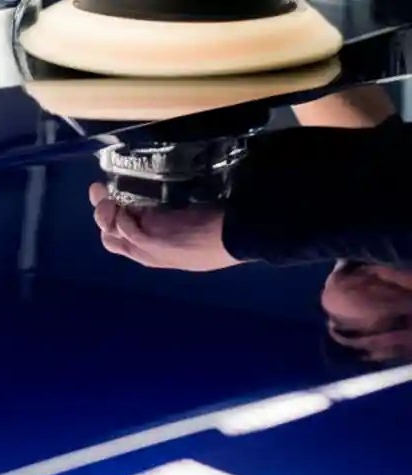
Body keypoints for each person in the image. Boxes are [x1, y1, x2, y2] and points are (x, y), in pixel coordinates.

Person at [89, 84, 412, 361]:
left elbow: (372, 162)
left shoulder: (360, 201)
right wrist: (239, 232)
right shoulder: (354, 212)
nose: (389, 326)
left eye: (350, 329)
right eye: (400, 320)